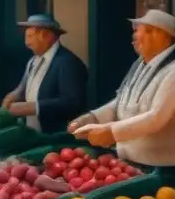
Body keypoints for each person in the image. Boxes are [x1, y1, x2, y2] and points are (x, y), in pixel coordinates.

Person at [69, 9, 175, 165]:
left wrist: (111, 132)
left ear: (162, 36)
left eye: (138, 30)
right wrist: (94, 117)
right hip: (127, 159)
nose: (133, 36)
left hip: (160, 166)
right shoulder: (140, 63)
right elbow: (123, 100)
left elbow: (156, 117)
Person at [2, 15, 87, 134]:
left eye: (30, 37)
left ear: (47, 36)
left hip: (56, 136)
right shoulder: (33, 61)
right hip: (33, 133)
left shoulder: (67, 62)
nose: (27, 43)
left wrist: (33, 107)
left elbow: (73, 102)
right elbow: (23, 87)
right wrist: (14, 95)